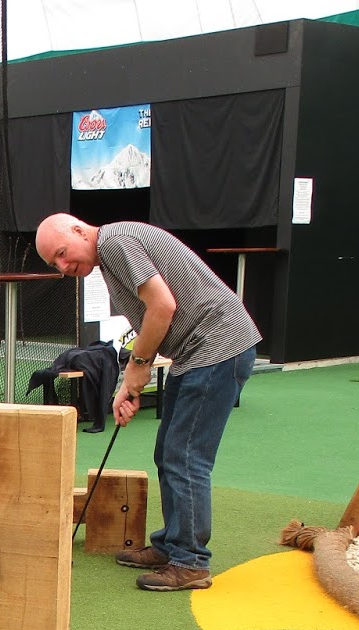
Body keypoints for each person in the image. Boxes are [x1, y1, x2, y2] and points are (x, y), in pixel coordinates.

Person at [34, 215, 259, 591]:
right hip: (196, 353)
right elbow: (152, 319)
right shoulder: (109, 254)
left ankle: (190, 562)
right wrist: (129, 385)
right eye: (53, 264)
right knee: (169, 452)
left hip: (217, 348)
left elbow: (163, 307)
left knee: (186, 458)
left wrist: (137, 368)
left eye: (61, 254)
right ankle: (174, 545)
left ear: (78, 230)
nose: (62, 266)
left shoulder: (116, 243)